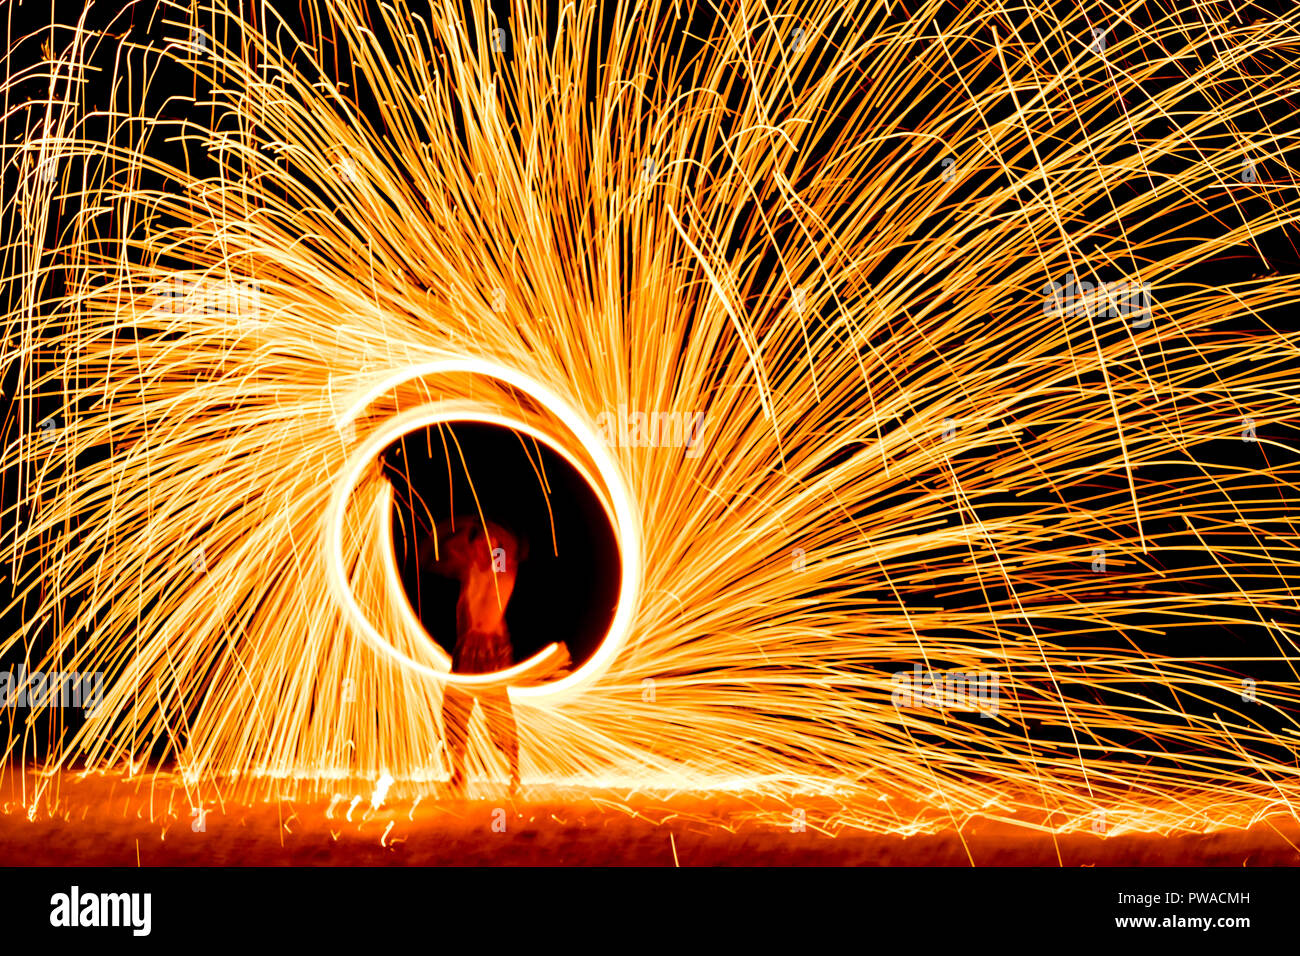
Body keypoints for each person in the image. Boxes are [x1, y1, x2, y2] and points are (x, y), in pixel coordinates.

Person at [424, 515, 527, 795]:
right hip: (467, 647)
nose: (486, 548)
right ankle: (458, 773)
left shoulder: (503, 569)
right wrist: (462, 531)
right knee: (453, 712)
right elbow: (436, 554)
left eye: (492, 545)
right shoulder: (471, 570)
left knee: (496, 714)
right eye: (481, 543)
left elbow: (506, 550)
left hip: (491, 648)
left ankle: (514, 772)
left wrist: (490, 533)